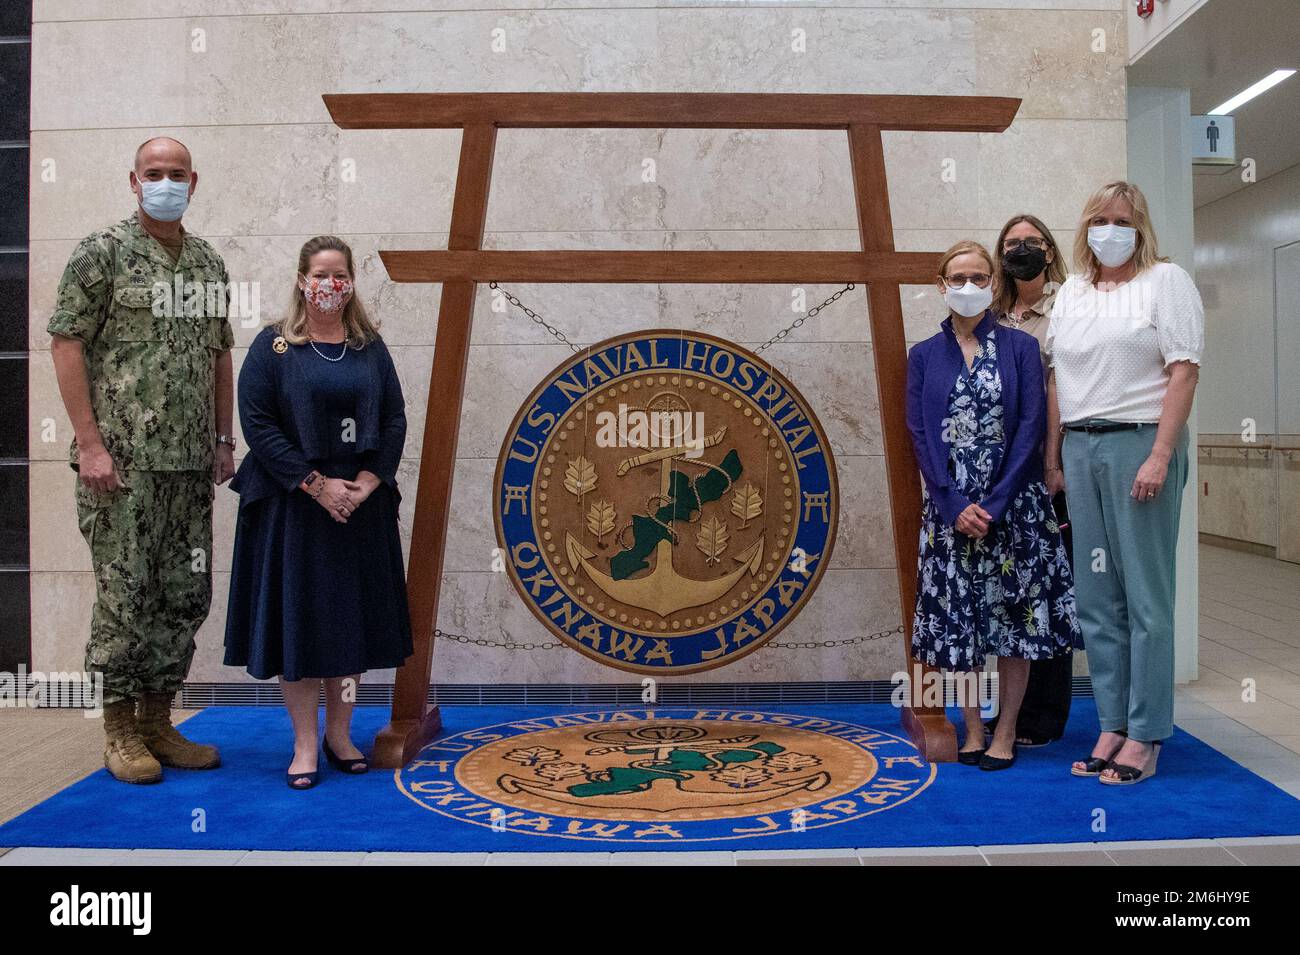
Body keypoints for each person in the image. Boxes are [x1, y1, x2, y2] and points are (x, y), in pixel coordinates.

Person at [49, 136, 231, 784]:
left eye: (175, 173)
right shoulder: (101, 254)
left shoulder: (208, 263)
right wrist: (90, 444)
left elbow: (218, 353)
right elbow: (65, 342)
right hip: (121, 468)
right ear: (134, 181)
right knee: (125, 597)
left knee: (184, 595)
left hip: (187, 467)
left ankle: (157, 718)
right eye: (153, 172)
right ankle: (119, 728)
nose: (165, 181)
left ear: (193, 181)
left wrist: (222, 439)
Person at [224, 235, 413, 790]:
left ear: (351, 281)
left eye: (339, 275)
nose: (329, 284)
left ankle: (340, 734)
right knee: (299, 629)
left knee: (349, 629)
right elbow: (257, 425)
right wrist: (314, 484)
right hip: (294, 507)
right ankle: (305, 743)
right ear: (301, 279)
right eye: (320, 274)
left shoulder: (368, 346)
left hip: (358, 507)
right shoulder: (273, 347)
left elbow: (396, 418)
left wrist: (367, 481)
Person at [1049, 182, 1203, 785]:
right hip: (1082, 446)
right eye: (1100, 219)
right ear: (1085, 227)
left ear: (1140, 228)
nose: (1110, 230)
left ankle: (1146, 733)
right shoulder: (1073, 294)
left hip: (1140, 441)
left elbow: (1184, 371)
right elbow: (1059, 380)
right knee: (1096, 600)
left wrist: (1161, 453)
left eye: (1122, 220)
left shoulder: (1166, 282)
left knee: (1145, 597)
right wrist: (1054, 457)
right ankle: (1111, 722)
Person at [906, 240, 1079, 771]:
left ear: (992, 282)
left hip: (1015, 506)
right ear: (941, 284)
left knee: (1015, 621)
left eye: (978, 277)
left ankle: (1006, 731)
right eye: (957, 278)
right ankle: (972, 728)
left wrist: (996, 501)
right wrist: (954, 502)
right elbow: (920, 431)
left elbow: (1031, 426)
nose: (967, 287)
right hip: (949, 510)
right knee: (959, 622)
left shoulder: (1020, 348)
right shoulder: (922, 356)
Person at [983, 214, 1077, 748]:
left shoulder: (1067, 307)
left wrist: (1053, 465)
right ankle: (1009, 712)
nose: (1021, 250)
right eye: (1012, 243)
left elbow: (1062, 387)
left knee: (1048, 591)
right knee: (1008, 593)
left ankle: (1044, 715)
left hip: (1046, 472)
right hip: (997, 479)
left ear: (1049, 247)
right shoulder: (991, 313)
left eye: (1031, 242)